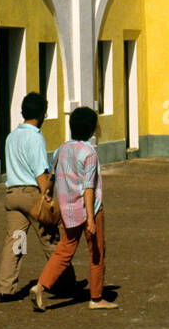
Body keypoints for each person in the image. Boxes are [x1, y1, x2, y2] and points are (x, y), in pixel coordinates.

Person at [30, 106, 118, 311]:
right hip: (91, 210)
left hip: (67, 210)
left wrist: (47, 192)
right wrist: (90, 218)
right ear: (91, 129)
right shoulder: (90, 153)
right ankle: (96, 298)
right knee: (96, 252)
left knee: (63, 251)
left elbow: (51, 173)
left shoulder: (63, 148)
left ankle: (41, 285)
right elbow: (89, 187)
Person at [0, 92, 79, 303]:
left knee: (16, 241)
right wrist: (48, 198)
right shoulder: (35, 137)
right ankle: (65, 283)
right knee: (50, 240)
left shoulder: (11, 136)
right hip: (31, 194)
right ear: (42, 113)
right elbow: (40, 172)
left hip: (12, 193)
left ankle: (6, 287)